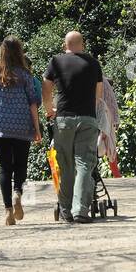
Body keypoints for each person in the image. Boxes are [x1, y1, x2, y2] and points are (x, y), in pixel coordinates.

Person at [0, 36, 43, 226]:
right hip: (22, 127)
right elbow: (33, 104)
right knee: (21, 165)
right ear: (19, 52)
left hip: (1, 128)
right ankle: (17, 194)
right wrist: (37, 129)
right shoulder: (26, 75)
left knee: (5, 168)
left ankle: (8, 211)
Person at [43, 30, 103, 224]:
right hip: (87, 118)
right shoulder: (93, 63)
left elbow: (46, 87)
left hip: (63, 120)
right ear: (82, 45)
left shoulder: (56, 62)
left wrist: (49, 109)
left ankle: (65, 210)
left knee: (66, 165)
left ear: (64, 45)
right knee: (85, 165)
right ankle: (80, 210)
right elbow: (99, 96)